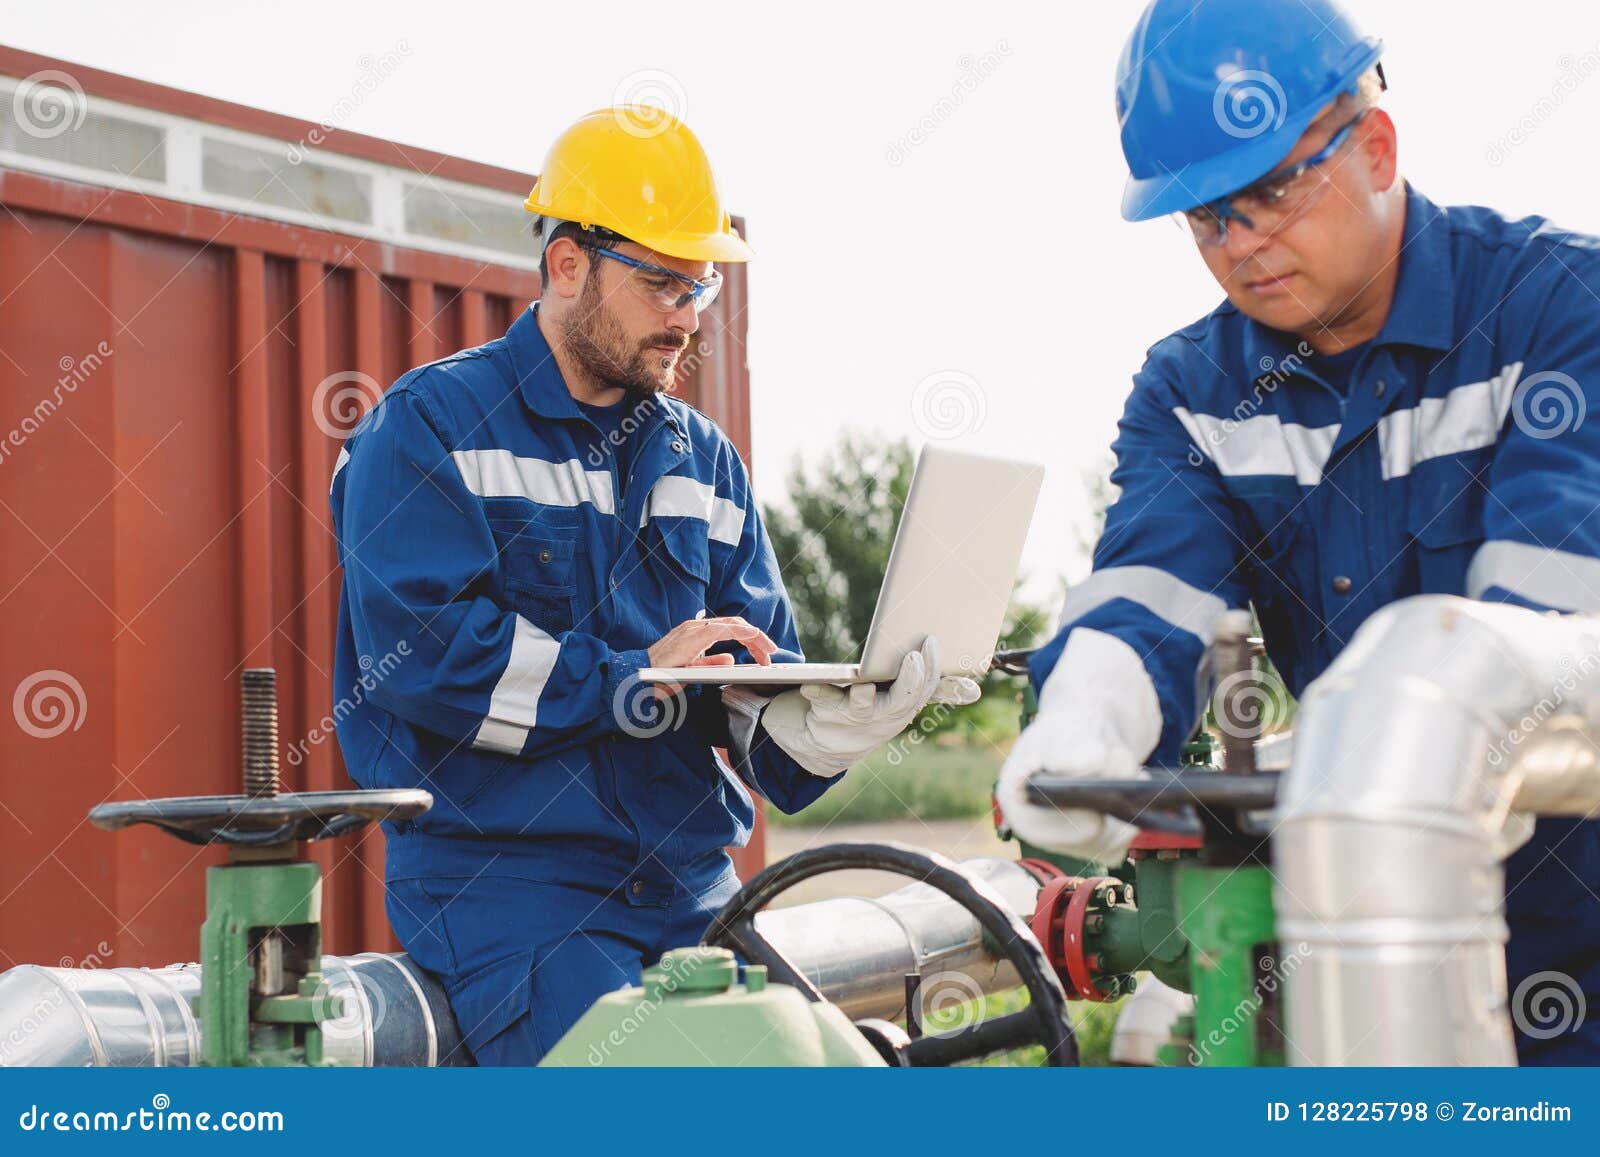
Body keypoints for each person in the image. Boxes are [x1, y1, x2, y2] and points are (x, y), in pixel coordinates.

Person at [998, 0, 1600, 1063]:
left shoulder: (1558, 306)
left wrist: (1443, 749)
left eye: (1269, 190)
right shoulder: (1195, 389)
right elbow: (1155, 579)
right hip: (1369, 935)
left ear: (1375, 145)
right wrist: (1090, 704)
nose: (1240, 244)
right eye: (1202, 217)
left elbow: (1551, 603)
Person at [330, 106, 977, 1064]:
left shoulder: (703, 461)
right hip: (517, 900)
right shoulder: (430, 428)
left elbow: (755, 697)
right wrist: (633, 673)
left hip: (692, 893)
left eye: (701, 285)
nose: (687, 314)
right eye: (663, 282)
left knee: (839, 1075)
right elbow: (425, 661)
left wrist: (838, 719)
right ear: (567, 267)